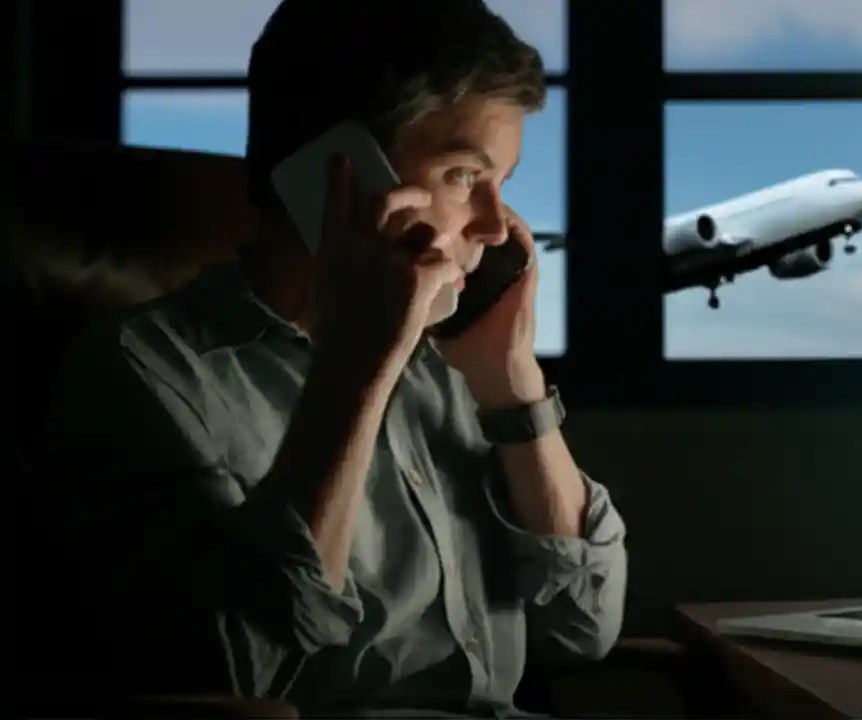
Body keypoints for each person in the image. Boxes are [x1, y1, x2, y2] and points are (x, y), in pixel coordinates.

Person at [36, 0, 626, 716]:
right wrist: (354, 369)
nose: (497, 227)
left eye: (503, 184)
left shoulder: (451, 364)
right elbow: (234, 668)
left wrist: (513, 385)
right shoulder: (141, 373)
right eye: (464, 176)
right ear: (334, 175)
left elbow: (584, 629)